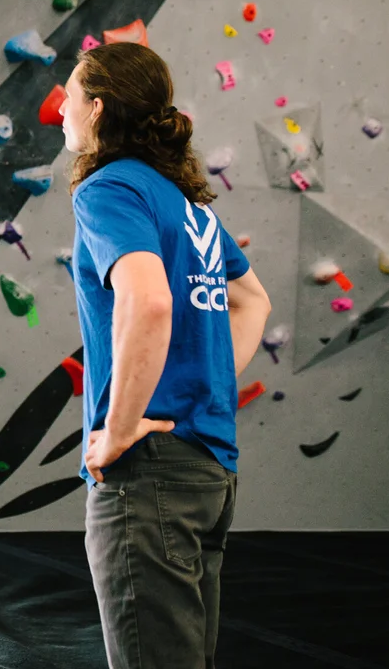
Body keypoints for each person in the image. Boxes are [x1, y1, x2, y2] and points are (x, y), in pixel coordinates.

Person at [59, 42, 272, 669]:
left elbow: (148, 302)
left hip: (149, 477)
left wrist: (119, 430)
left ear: (96, 109)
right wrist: (204, 387)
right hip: (209, 471)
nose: (61, 114)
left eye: (69, 98)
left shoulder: (109, 189)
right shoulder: (188, 207)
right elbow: (251, 301)